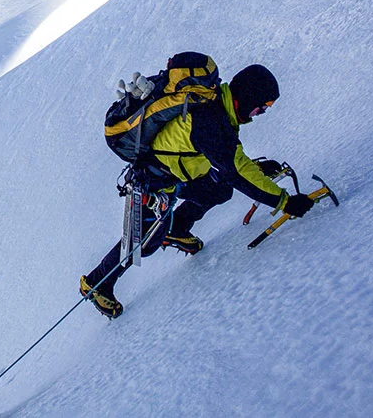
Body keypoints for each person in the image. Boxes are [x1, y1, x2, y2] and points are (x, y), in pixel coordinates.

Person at [80, 61, 315, 318]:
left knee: (220, 190)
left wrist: (255, 173)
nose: (261, 113)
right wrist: (284, 202)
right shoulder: (210, 121)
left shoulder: (215, 108)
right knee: (144, 243)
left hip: (178, 173)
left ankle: (178, 227)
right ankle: (97, 283)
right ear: (247, 98)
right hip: (154, 180)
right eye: (262, 106)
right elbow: (236, 169)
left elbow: (230, 161)